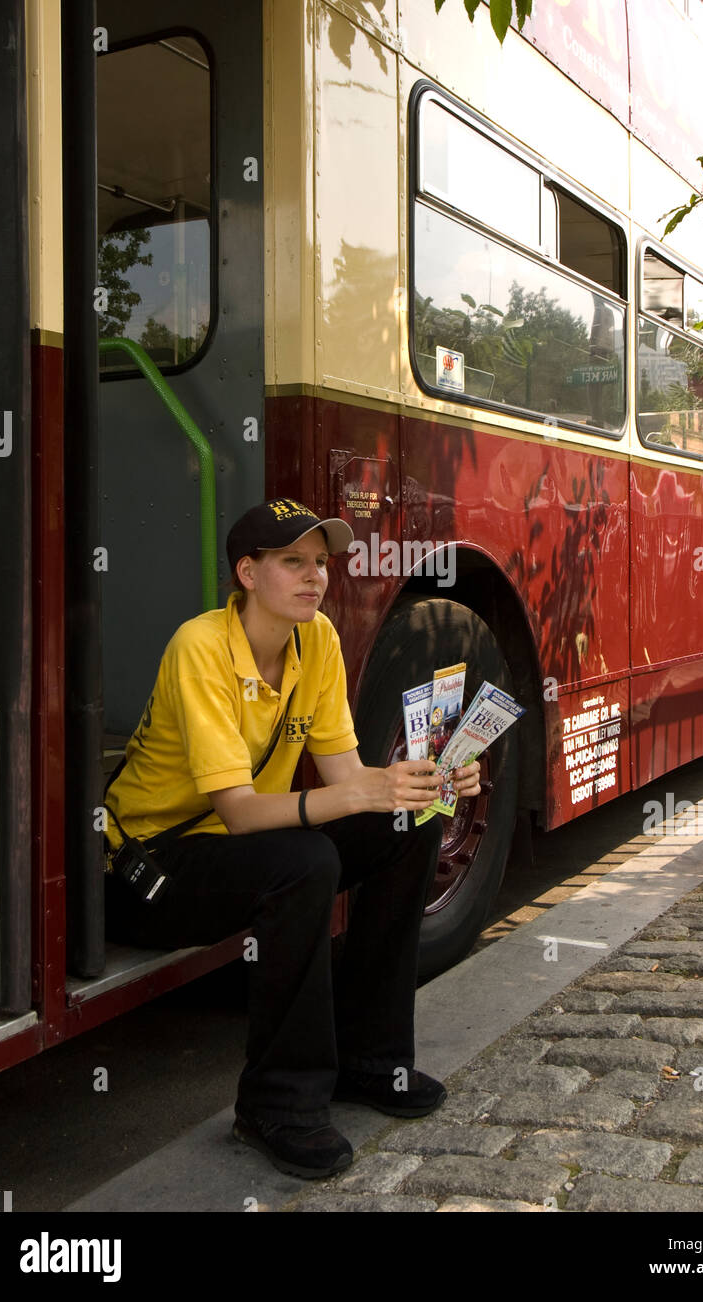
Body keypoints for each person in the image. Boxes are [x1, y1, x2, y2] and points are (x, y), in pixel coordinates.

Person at [103, 498, 481, 1180]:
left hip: (240, 848)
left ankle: (371, 1061)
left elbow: (344, 775)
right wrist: (357, 793)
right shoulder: (201, 647)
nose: (314, 577)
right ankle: (277, 1105)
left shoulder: (319, 641)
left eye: (320, 563)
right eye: (291, 563)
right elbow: (241, 812)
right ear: (247, 573)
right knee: (306, 861)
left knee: (410, 822)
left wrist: (420, 782)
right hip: (150, 870)